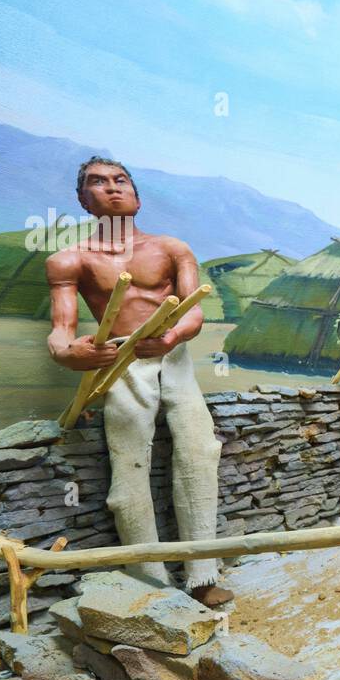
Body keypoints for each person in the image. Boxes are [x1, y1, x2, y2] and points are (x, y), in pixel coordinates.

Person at [45, 157, 231, 607]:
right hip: (120, 361)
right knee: (129, 466)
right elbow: (61, 332)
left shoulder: (171, 248)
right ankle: (148, 579)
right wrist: (74, 354)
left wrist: (171, 336)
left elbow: (193, 310)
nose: (111, 188)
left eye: (120, 180)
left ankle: (202, 573)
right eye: (98, 182)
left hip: (174, 354)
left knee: (200, 451)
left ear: (136, 194)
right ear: (82, 199)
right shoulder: (70, 260)